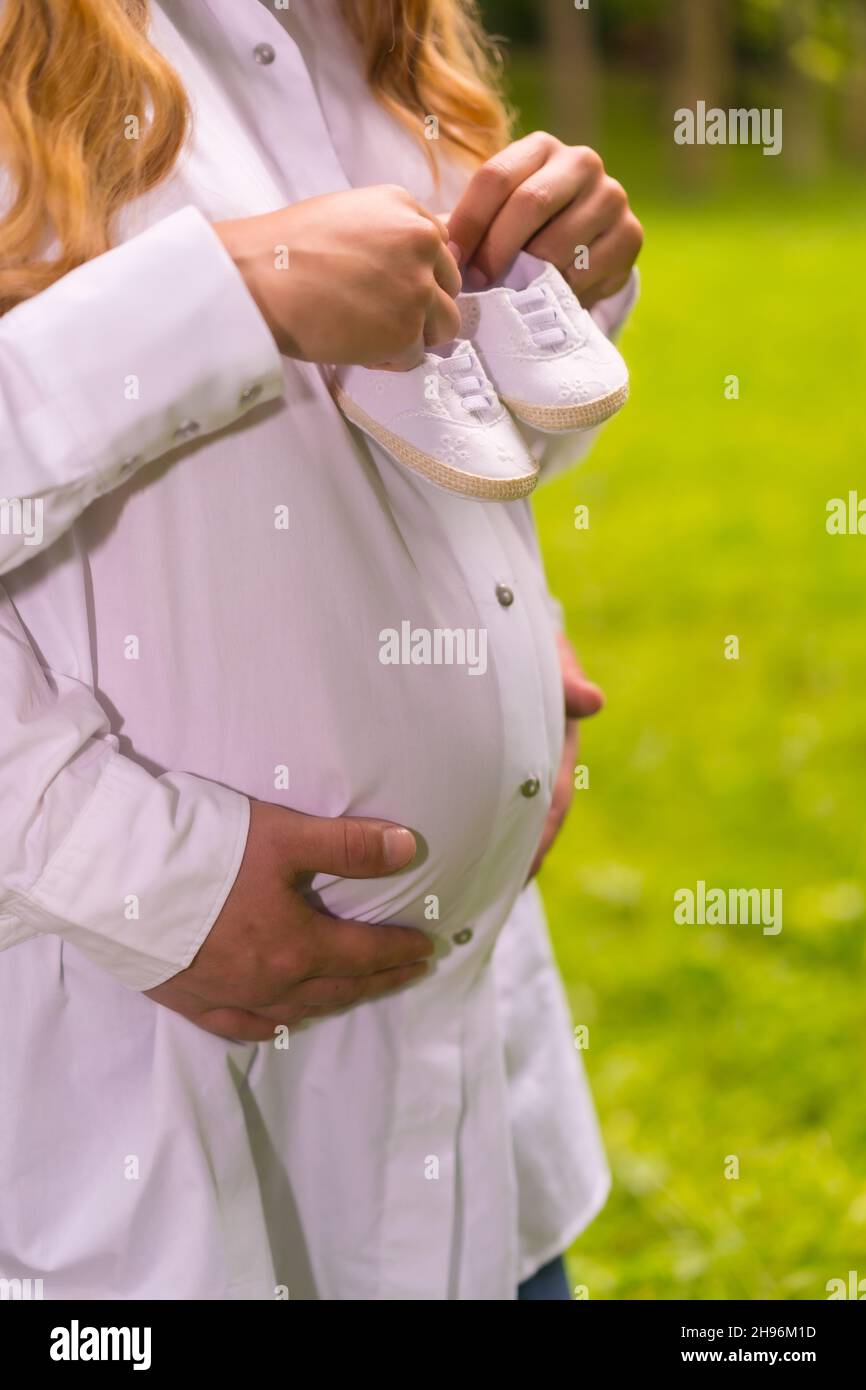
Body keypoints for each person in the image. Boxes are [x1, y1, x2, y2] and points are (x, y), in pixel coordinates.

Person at [0, 0, 642, 1300]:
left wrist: (553, 287)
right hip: (139, 1150)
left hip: (476, 1138)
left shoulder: (370, 25)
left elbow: (404, 447)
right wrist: (226, 295)